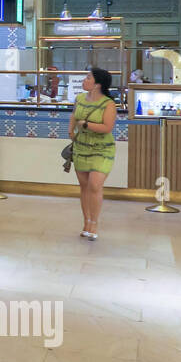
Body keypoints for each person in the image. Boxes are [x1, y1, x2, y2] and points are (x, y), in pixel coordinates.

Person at [69, 67, 117, 241]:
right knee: (84, 186)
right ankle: (86, 221)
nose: (84, 80)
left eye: (88, 78)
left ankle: (95, 223)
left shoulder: (108, 104)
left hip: (101, 148)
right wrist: (71, 130)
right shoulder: (80, 98)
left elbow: (107, 127)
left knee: (95, 185)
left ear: (97, 84)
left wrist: (86, 125)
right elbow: (74, 115)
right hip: (82, 146)